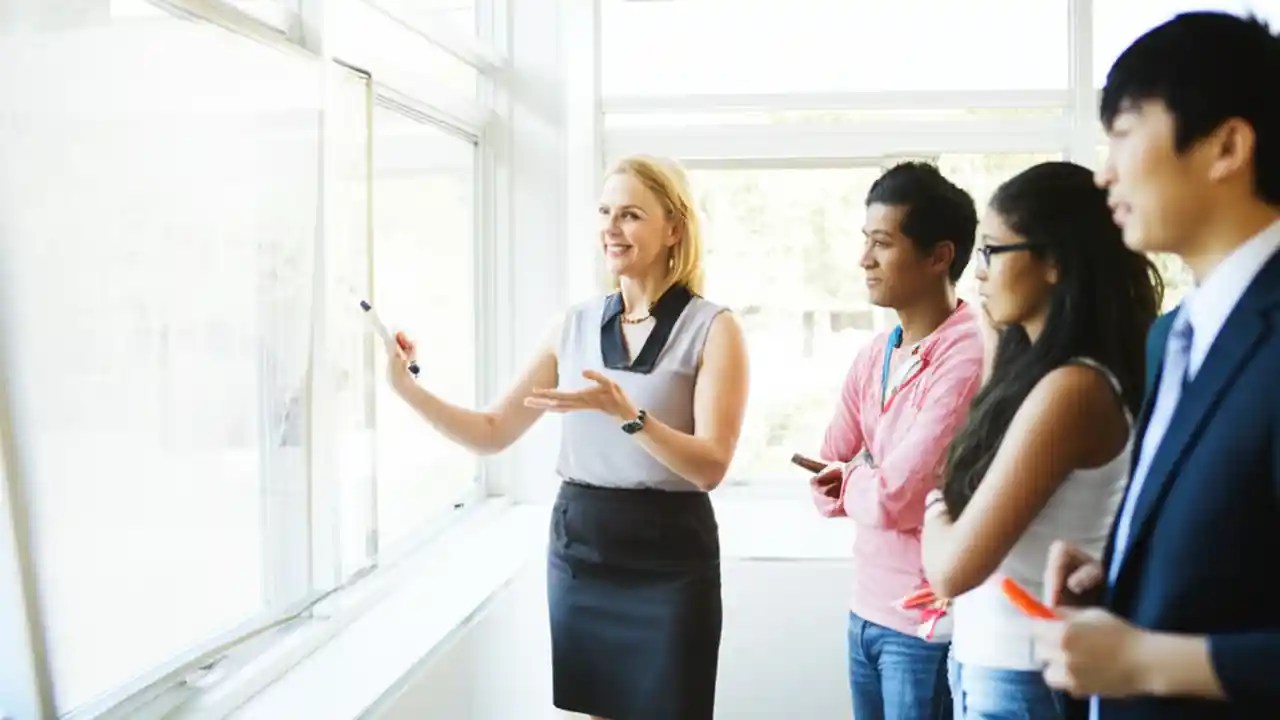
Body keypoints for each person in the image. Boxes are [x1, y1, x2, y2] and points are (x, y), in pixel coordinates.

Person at [383, 155, 749, 720]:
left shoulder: (714, 328)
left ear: (674, 228)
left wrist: (629, 415)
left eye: (630, 215)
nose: (611, 228)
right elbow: (492, 432)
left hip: (671, 556)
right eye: (604, 212)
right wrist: (407, 389)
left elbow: (710, 467)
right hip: (583, 548)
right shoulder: (573, 324)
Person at [1029, 11, 1280, 720]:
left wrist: (1148, 660)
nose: (1103, 171)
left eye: (1123, 133)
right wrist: (1125, 578)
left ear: (1227, 146)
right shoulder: (1174, 334)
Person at [919, 161, 1161, 719]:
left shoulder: (1073, 389)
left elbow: (951, 569)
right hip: (993, 663)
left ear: (1053, 261)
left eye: (991, 251)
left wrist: (934, 507)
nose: (977, 274)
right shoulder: (1042, 374)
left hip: (1024, 675)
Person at [810, 161, 982, 720]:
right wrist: (861, 478)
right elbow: (823, 468)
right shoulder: (875, 354)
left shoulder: (968, 354)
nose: (865, 259)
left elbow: (897, 497)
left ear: (939, 256)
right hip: (865, 610)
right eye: (866, 241)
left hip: (924, 625)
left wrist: (855, 479)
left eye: (882, 243)